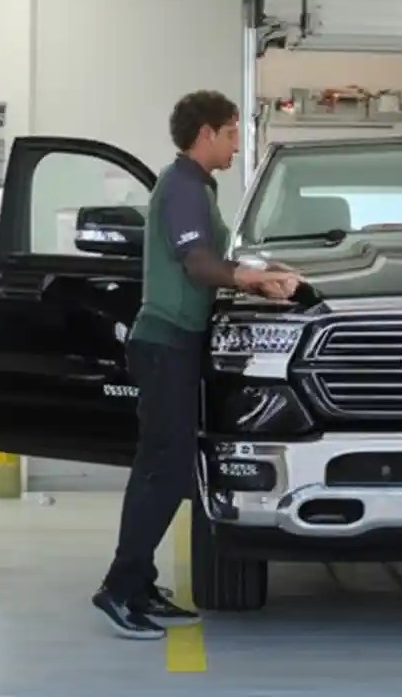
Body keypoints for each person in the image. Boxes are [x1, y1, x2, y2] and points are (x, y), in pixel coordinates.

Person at [92, 90, 300, 640]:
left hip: (179, 344)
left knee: (165, 469)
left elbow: (216, 258)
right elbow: (199, 263)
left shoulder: (195, 188)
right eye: (232, 133)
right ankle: (119, 588)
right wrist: (249, 277)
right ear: (205, 133)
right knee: (162, 470)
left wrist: (261, 268)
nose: (237, 144)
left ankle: (139, 584)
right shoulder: (181, 186)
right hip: (165, 343)